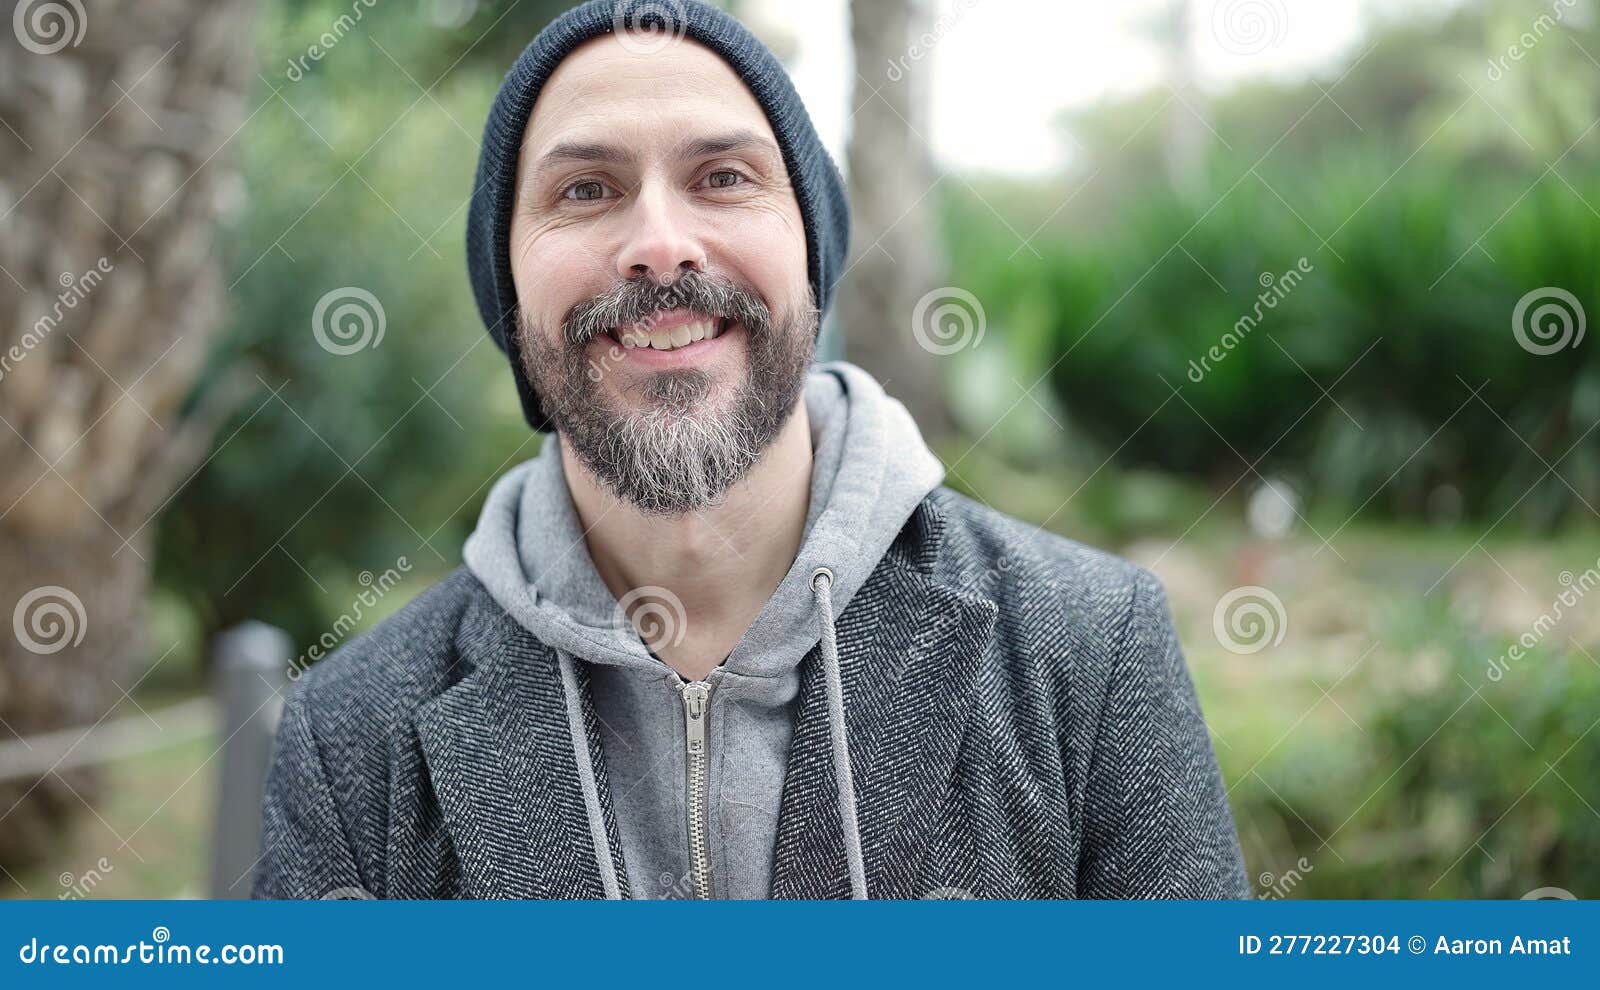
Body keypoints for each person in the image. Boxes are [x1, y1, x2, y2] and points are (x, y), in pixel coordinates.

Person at [254, 0, 1247, 900]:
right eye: (586, 189)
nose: (660, 243)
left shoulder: (1090, 649)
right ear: (508, 285)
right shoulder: (349, 737)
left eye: (723, 178)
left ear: (810, 251)